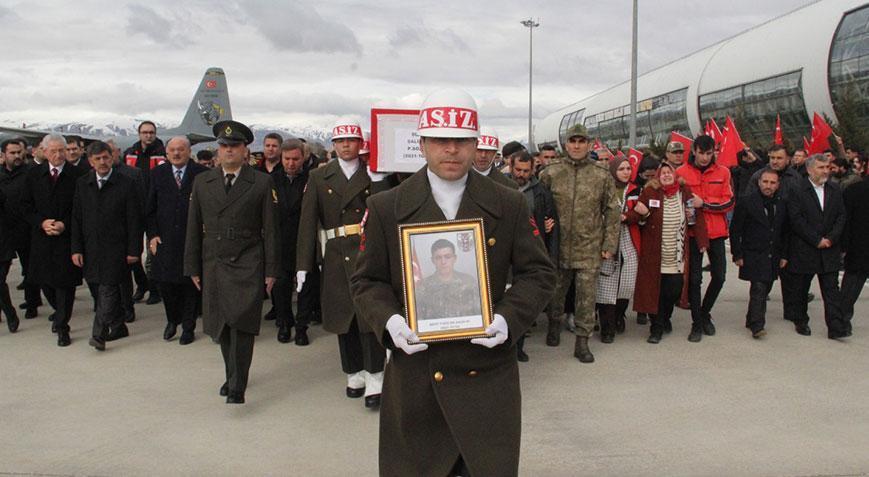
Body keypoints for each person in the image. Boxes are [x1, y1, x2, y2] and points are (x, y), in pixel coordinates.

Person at [351, 87, 554, 477]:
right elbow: (367, 281)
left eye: (461, 140)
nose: (452, 150)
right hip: (417, 377)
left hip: (485, 376)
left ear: (476, 144)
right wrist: (390, 324)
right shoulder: (386, 207)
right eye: (440, 140)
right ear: (422, 144)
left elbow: (539, 273)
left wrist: (508, 320)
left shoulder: (508, 202)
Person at [297, 119, 390, 409]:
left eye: (351, 140)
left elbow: (386, 209)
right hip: (336, 253)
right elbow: (308, 221)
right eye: (340, 141)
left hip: (368, 249)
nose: (346, 145)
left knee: (369, 315)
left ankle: (376, 376)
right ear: (333, 145)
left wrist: (378, 182)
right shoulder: (319, 176)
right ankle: (354, 373)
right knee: (343, 316)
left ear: (361, 143)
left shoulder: (372, 173)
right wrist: (303, 264)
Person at [184, 120, 279, 404]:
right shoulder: (203, 181)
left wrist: (272, 270)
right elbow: (193, 226)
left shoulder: (261, 182)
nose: (228, 151)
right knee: (221, 323)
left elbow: (271, 230)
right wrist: (192, 267)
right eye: (224, 146)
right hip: (213, 261)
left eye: (234, 146)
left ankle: (238, 385)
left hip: (247, 260)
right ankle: (231, 374)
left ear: (245, 149)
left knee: (242, 323)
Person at [539, 123, 620, 363]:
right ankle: (554, 324)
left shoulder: (601, 174)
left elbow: (612, 211)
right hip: (558, 246)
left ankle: (582, 341)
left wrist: (609, 244)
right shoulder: (551, 173)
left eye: (581, 141)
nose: (576, 145)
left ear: (589, 144)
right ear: (566, 144)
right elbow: (538, 206)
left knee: (586, 297)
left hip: (589, 246)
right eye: (573, 141)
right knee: (556, 293)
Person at [71, 141, 143, 351]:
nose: (103, 162)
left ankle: (98, 334)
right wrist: (76, 248)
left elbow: (134, 220)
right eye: (98, 159)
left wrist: (134, 250)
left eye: (106, 157)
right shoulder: (83, 183)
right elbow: (76, 218)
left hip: (116, 248)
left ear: (112, 158)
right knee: (97, 287)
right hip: (91, 247)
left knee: (108, 290)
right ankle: (119, 326)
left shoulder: (126, 183)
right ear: (90, 161)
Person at [627, 163, 708, 344]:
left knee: (672, 290)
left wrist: (702, 241)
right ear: (657, 176)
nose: (665, 175)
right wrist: (629, 216)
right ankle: (656, 328)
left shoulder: (684, 191)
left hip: (676, 253)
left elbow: (696, 216)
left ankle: (664, 319)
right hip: (655, 252)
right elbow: (638, 214)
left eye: (669, 172)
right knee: (655, 290)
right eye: (662, 173)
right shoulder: (650, 192)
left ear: (674, 174)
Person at [20, 134, 86, 346]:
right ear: (44, 152)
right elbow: (24, 206)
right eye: (54, 151)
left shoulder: (79, 175)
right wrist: (42, 223)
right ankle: (59, 314)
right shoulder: (33, 175)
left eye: (62, 151)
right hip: (42, 238)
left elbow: (83, 208)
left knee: (66, 284)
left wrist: (64, 224)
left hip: (68, 238)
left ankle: (62, 325)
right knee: (44, 281)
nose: (58, 155)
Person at [146, 136, 207, 345]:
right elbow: (150, 208)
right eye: (172, 150)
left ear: (189, 151)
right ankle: (172, 320)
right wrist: (152, 234)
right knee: (166, 285)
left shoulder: (202, 174)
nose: (176, 153)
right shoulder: (157, 174)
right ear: (166, 152)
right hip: (165, 240)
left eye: (181, 149)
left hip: (192, 239)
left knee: (190, 284)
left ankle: (188, 327)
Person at [783, 154, 849, 339]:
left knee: (831, 290)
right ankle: (801, 321)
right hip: (805, 248)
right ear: (810, 169)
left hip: (829, 249)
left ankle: (836, 328)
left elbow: (841, 216)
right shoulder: (797, 189)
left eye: (827, 167)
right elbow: (796, 219)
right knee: (801, 288)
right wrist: (816, 239)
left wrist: (831, 238)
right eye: (821, 168)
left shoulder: (835, 189)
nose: (826, 171)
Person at [676, 135, 733, 342]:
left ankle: (704, 312)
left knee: (719, 276)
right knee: (694, 280)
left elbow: (728, 202)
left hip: (716, 231)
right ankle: (697, 323)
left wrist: (705, 204)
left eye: (709, 153)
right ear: (694, 151)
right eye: (701, 153)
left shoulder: (723, 172)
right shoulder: (681, 172)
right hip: (692, 232)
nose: (705, 158)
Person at [729, 169, 788, 338]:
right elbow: (735, 230)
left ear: (778, 185)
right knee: (759, 287)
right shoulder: (747, 202)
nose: (768, 186)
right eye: (765, 182)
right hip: (753, 253)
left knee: (766, 286)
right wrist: (737, 254)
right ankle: (757, 325)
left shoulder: (781, 204)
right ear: (759, 182)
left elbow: (785, 232)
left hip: (773, 254)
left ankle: (751, 318)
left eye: (772, 183)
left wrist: (784, 255)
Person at [511, 151, 558, 361]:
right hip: (504, 253)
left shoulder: (540, 192)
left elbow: (551, 220)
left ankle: (519, 346)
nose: (521, 174)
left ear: (532, 170)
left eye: (526, 171)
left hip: (529, 252)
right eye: (518, 170)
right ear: (511, 167)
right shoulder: (500, 187)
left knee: (523, 299)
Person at [270, 138, 312, 345]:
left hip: (303, 240)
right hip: (279, 241)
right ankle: (284, 323)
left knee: (305, 287)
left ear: (303, 158)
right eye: (287, 159)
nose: (291, 163)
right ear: (281, 158)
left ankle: (302, 327)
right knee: (281, 287)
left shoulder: (312, 180)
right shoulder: (271, 180)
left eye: (295, 159)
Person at [595, 157, 639, 343]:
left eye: (628, 168)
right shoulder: (604, 189)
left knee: (627, 284)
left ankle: (619, 315)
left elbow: (643, 212)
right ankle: (607, 328)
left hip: (629, 241)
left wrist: (628, 216)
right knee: (606, 286)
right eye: (621, 168)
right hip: (606, 241)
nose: (626, 172)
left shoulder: (637, 190)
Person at [124, 120, 167, 305]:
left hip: (155, 209)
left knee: (153, 253)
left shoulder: (163, 154)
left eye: (151, 132)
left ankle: (155, 289)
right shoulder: (130, 154)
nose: (148, 135)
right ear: (139, 134)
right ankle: (142, 284)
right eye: (144, 132)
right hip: (133, 209)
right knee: (132, 252)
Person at [0, 138, 41, 321]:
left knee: (30, 270)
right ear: (3, 155)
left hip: (26, 228)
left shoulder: (31, 173)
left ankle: (32, 303)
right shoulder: (0, 175)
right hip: (4, 231)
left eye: (19, 152)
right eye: (12, 153)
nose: (17, 156)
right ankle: (6, 309)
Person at [841, 172, 869, 333]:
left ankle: (842, 318)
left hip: (859, 249)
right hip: (860, 247)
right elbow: (846, 219)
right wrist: (844, 246)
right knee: (852, 285)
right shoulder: (855, 190)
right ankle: (841, 320)